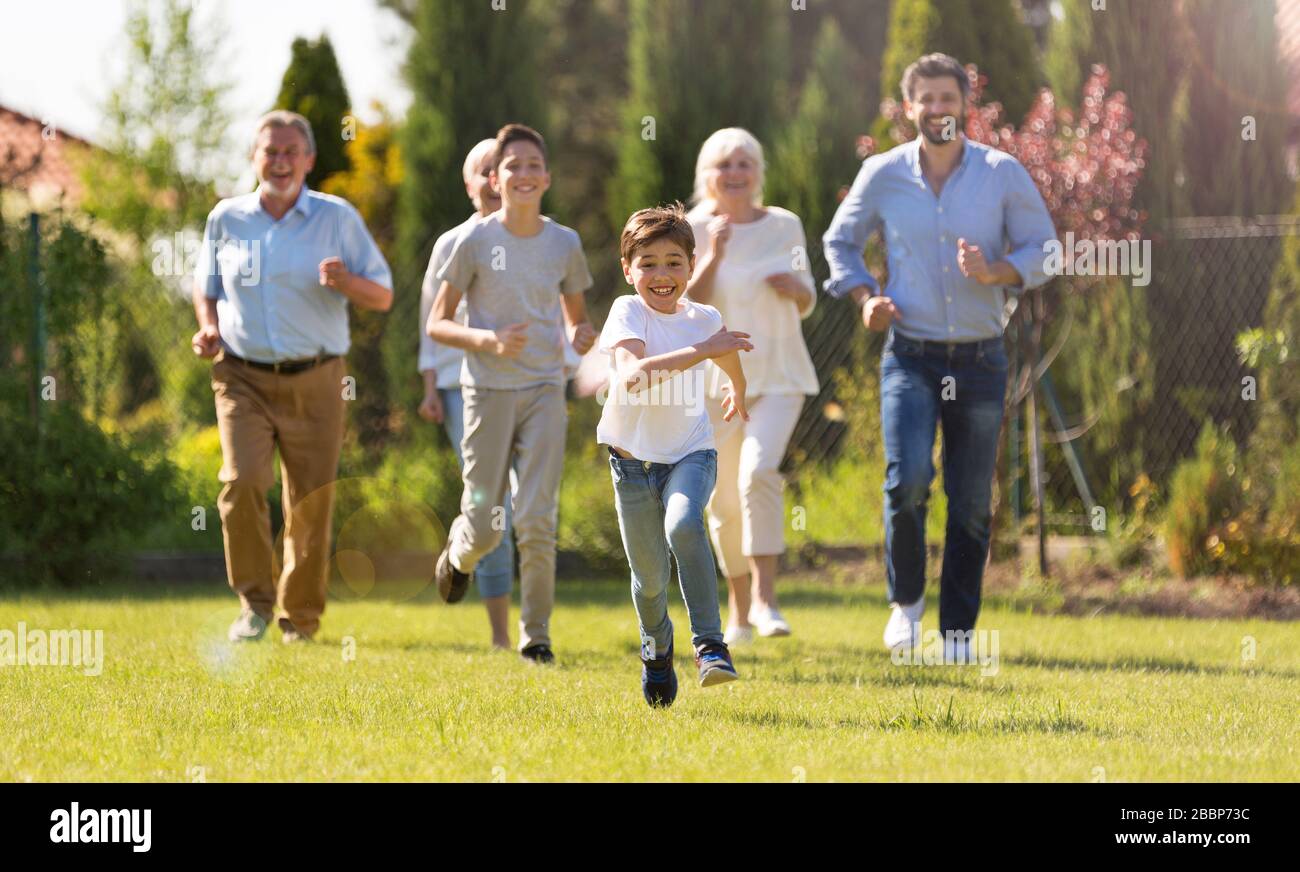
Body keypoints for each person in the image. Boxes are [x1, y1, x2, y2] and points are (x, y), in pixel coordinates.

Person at [822, 53, 1055, 660]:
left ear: (964, 106)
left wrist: (997, 270)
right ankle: (905, 608)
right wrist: (865, 297)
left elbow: (1045, 249)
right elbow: (839, 241)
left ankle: (956, 634)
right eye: (925, 99)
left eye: (947, 98)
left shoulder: (1001, 173)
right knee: (909, 482)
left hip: (980, 360)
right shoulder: (883, 174)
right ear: (909, 109)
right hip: (911, 356)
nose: (937, 109)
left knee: (973, 502)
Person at [192, 110, 393, 644]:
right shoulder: (226, 218)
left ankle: (299, 618)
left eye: (290, 152)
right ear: (254, 158)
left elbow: (383, 294)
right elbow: (206, 287)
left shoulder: (337, 218)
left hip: (317, 377)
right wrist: (208, 328)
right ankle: (254, 604)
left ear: (308, 160)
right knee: (241, 482)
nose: (279, 162)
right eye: (269, 152)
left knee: (310, 500)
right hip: (240, 375)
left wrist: (346, 281)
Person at [429, 123, 596, 664]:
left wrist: (584, 337)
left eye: (532, 165)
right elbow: (438, 324)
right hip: (487, 391)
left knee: (537, 517)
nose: (523, 174)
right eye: (512, 166)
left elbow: (576, 321)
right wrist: (487, 340)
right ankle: (458, 557)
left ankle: (536, 639)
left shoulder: (564, 243)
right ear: (495, 181)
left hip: (545, 389)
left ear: (546, 177)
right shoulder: (473, 241)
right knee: (484, 527)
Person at [598, 203, 752, 706]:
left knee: (685, 524)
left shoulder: (705, 317)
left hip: (691, 453)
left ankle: (710, 645)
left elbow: (723, 346)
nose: (661, 275)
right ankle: (656, 650)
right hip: (631, 465)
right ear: (628, 270)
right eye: (647, 263)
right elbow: (634, 377)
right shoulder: (627, 311)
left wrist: (738, 385)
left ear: (691, 265)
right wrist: (704, 352)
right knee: (648, 583)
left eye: (673, 262)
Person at [685, 128, 819, 643]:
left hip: (779, 374)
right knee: (722, 502)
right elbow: (682, 307)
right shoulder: (693, 228)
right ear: (708, 174)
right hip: (716, 384)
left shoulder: (785, 224)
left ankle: (766, 599)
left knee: (758, 472)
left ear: (757, 172)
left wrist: (797, 288)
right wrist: (714, 254)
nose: (735, 174)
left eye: (744, 164)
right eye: (724, 165)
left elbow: (806, 298)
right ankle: (738, 613)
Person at [417, 138, 515, 650]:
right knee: (496, 507)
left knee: (520, 505)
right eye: (484, 171)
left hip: (527, 386)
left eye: (503, 168)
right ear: (469, 185)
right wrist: (430, 386)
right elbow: (430, 319)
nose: (495, 179)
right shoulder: (451, 243)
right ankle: (502, 636)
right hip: (464, 387)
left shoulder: (539, 240)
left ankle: (529, 633)